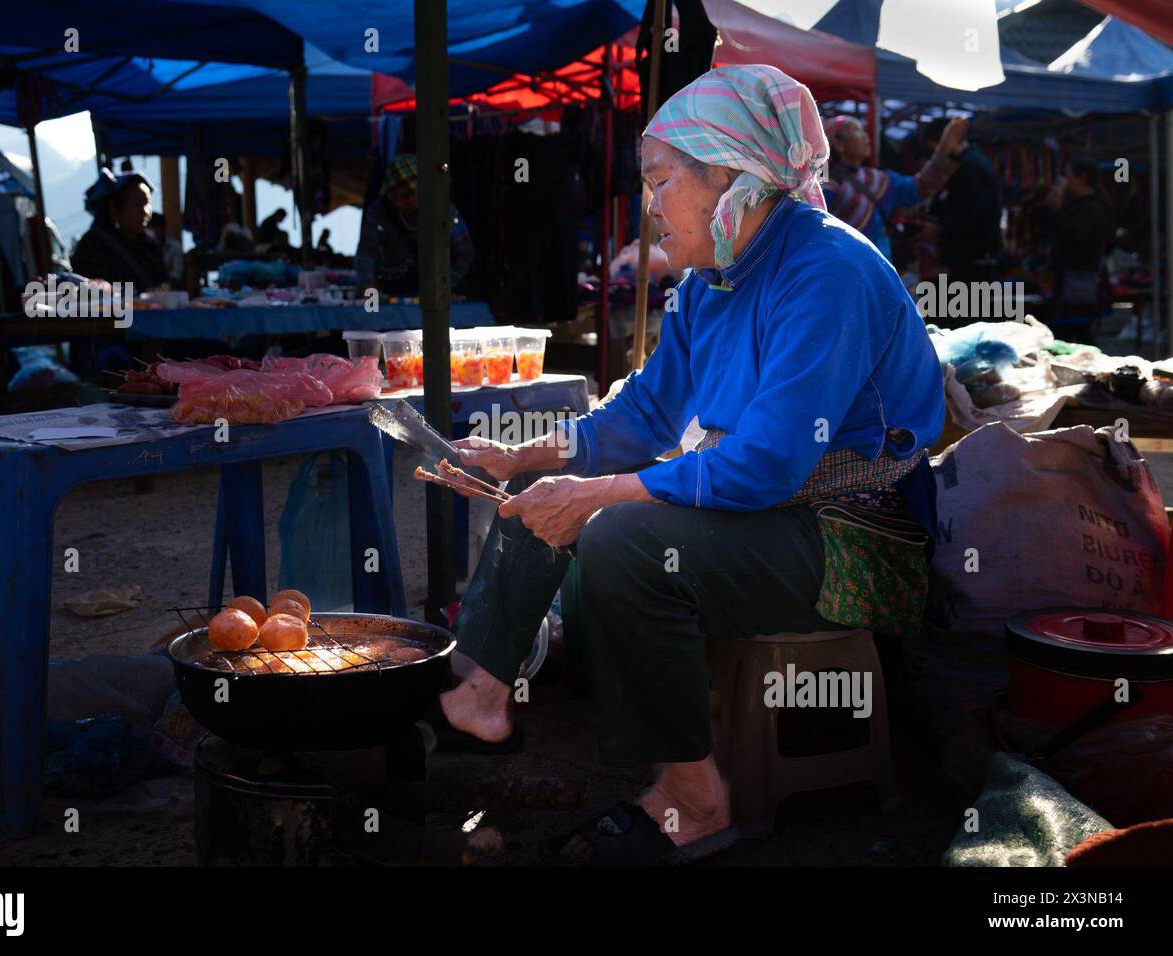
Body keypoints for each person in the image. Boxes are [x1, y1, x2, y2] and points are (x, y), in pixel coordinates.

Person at [427, 65, 945, 866]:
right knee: (543, 493)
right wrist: (520, 455)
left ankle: (693, 801)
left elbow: (769, 462)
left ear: (733, 178)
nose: (651, 204)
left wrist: (597, 495)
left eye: (662, 180)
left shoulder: (827, 271)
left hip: (857, 541)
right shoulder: (711, 282)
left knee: (620, 541)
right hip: (774, 513)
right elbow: (642, 417)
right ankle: (481, 692)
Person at [822, 113, 968, 259]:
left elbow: (920, 186)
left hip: (879, 265)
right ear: (838, 144)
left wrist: (944, 152)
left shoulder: (879, 179)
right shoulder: (824, 188)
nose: (866, 137)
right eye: (857, 131)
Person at [354, 154, 474, 295]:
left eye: (406, 195)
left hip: (436, 296)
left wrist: (444, 286)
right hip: (389, 292)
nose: (398, 202)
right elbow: (367, 253)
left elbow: (464, 253)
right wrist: (368, 290)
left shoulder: (444, 212)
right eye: (393, 195)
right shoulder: (378, 211)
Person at [921, 118, 1003, 283]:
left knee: (967, 308)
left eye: (937, 152)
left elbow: (972, 213)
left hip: (972, 260)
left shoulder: (969, 166)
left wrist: (941, 227)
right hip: (974, 257)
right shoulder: (972, 161)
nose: (939, 158)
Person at [70, 168, 168, 290]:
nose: (145, 211)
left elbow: (163, 284)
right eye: (137, 205)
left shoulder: (150, 246)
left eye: (147, 204)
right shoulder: (93, 244)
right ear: (114, 207)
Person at [1045, 158, 1113, 330]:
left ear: (1080, 178)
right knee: (1077, 330)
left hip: (1080, 277)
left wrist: (1059, 210)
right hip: (1073, 277)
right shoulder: (1081, 204)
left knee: (1075, 328)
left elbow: (1074, 234)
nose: (1066, 182)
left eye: (1068, 176)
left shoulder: (1092, 208)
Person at [147, 213, 184, 287]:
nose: (152, 232)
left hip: (166, 288)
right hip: (144, 289)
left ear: (162, 229)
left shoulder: (174, 246)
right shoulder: (142, 246)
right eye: (150, 229)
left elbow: (177, 274)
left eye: (155, 228)